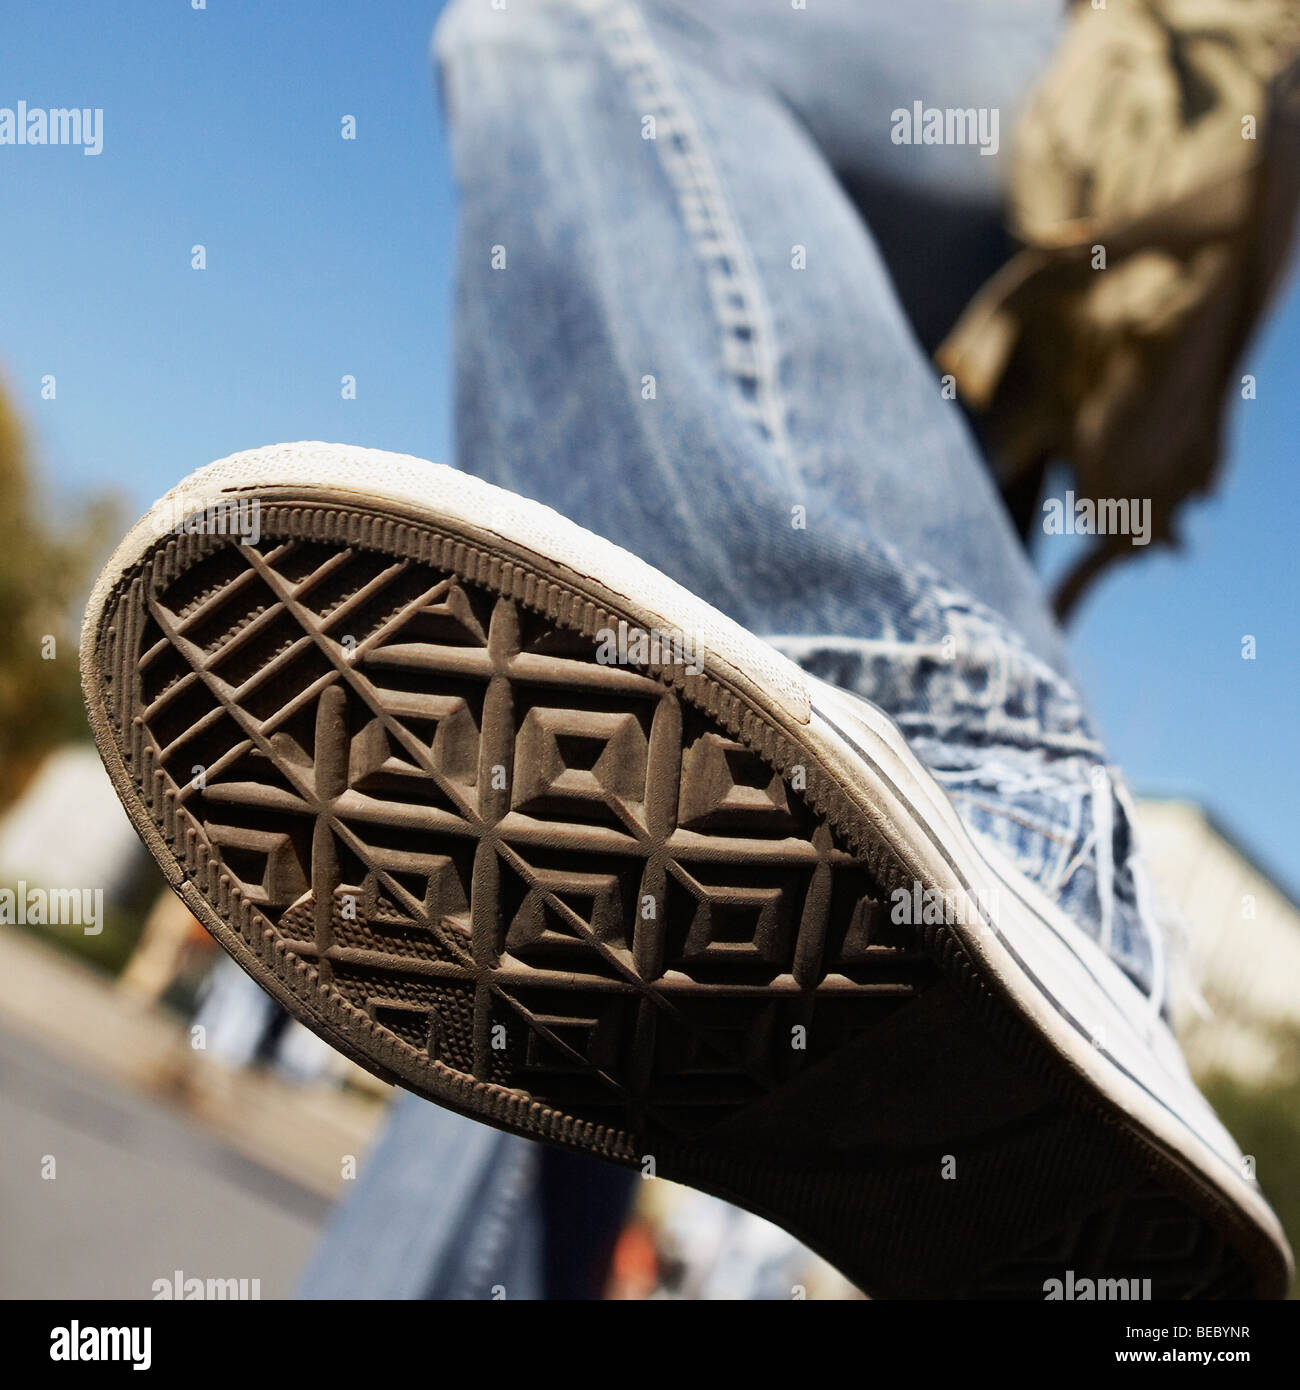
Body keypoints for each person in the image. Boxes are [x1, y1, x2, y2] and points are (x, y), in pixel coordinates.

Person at [83, 0, 1293, 1298]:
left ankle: (1001, 803)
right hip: (954, 324)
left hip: (1091, 77)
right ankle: (964, 853)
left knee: (571, 21)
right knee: (565, 917)